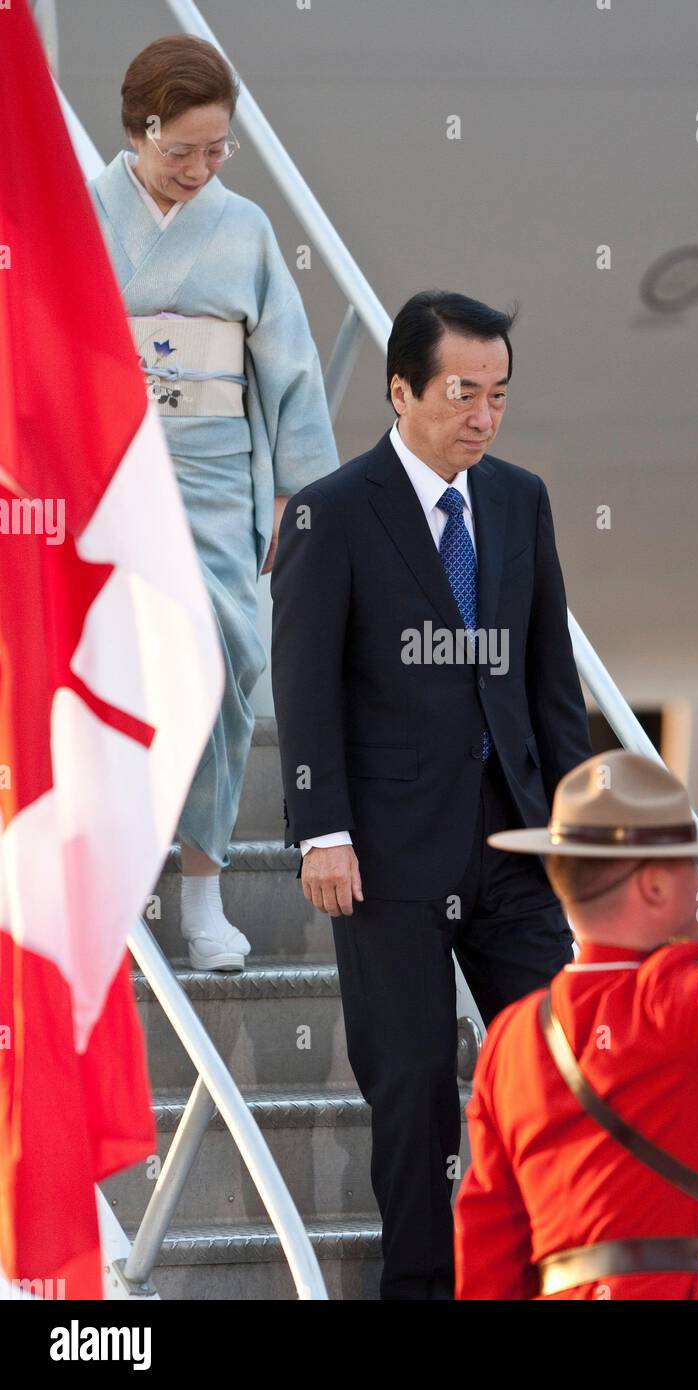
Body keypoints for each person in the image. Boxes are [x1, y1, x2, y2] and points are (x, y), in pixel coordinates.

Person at [271, 290, 593, 1299]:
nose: (484, 417)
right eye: (463, 393)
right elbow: (304, 680)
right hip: (385, 851)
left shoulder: (517, 500)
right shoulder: (334, 508)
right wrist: (320, 827)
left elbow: (549, 680)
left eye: (499, 395)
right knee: (412, 1090)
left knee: (557, 1068)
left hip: (511, 846)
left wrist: (574, 827)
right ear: (401, 389)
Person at [89, 36, 339, 971]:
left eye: (217, 150)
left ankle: (201, 891)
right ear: (140, 132)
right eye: (182, 151)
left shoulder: (245, 231)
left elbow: (292, 368)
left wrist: (296, 490)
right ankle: (106, 879)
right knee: (110, 669)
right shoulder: (79, 216)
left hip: (216, 471)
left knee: (228, 662)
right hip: (104, 475)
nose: (200, 169)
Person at [454, 750, 698, 1299]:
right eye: (688, 863)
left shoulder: (512, 1040)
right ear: (654, 887)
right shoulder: (681, 1005)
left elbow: (487, 1250)